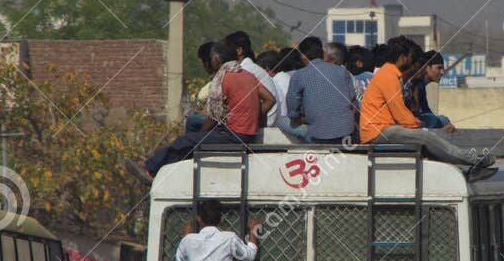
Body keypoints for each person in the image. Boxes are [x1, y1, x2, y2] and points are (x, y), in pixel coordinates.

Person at [360, 36, 496, 179]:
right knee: (425, 136)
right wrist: (417, 125)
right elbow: (399, 110)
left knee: (427, 139)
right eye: (411, 58)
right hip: (378, 132)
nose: (413, 63)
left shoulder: (389, 74)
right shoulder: (388, 76)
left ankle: (461, 169)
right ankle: (473, 160)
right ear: (403, 57)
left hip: (383, 129)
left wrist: (415, 125)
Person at [144, 42, 270, 175]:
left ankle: (150, 170)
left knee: (183, 141)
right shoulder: (248, 75)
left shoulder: (222, 78)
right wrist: (252, 118)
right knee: (194, 135)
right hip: (248, 134)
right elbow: (270, 99)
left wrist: (201, 134)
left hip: (233, 136)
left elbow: (215, 116)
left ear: (216, 60)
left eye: (206, 61)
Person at [287, 37, 357, 144]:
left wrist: (298, 118)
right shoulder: (342, 71)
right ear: (322, 53)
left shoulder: (299, 75)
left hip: (318, 134)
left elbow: (292, 107)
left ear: (303, 56)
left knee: (284, 122)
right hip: (347, 131)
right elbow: (352, 99)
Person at [223, 31, 281, 127]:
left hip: (264, 121)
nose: (223, 54)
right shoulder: (247, 67)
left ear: (239, 51)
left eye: (226, 49)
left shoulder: (244, 70)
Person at [405, 51, 454, 130]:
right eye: (439, 68)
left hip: (420, 121)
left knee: (442, 119)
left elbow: (425, 110)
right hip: (412, 123)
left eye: (443, 68)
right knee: (439, 119)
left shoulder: (422, 86)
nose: (442, 72)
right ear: (427, 67)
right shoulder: (416, 85)